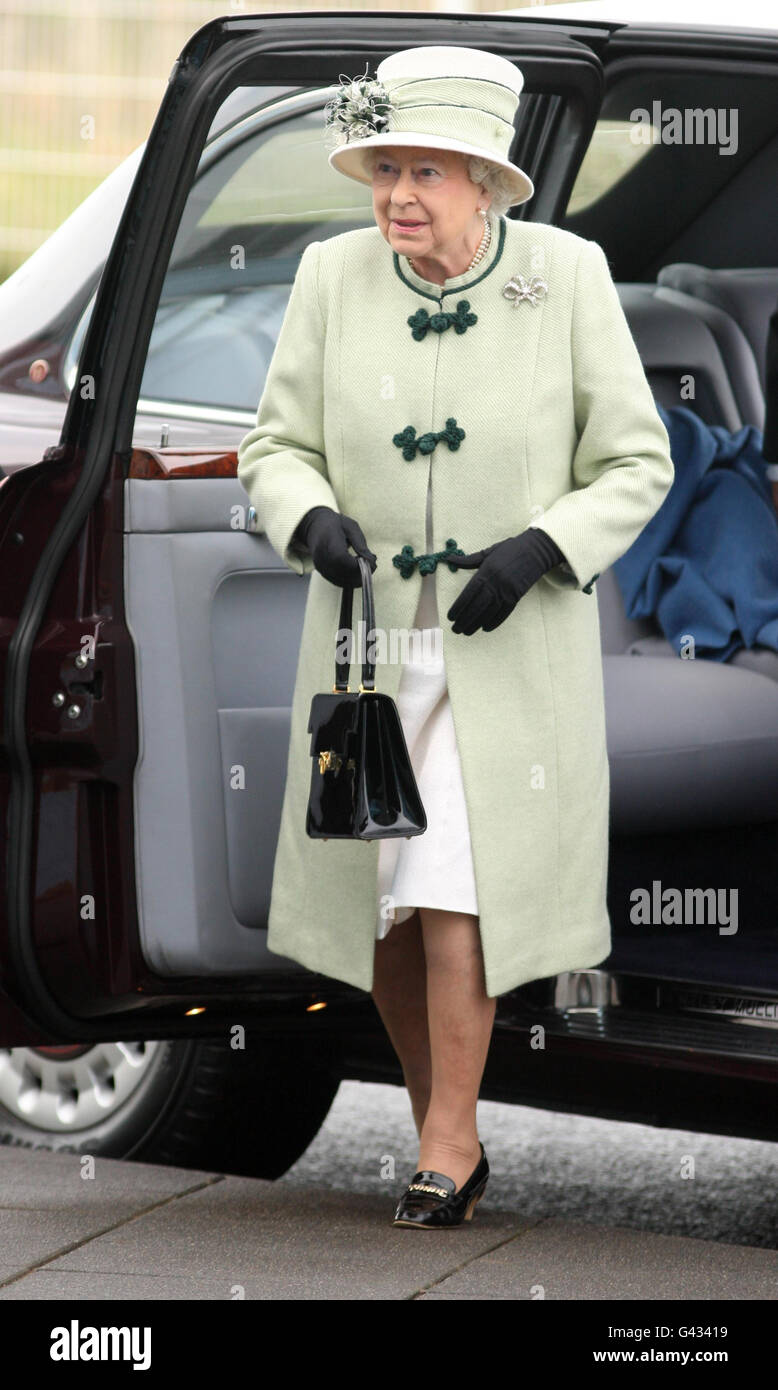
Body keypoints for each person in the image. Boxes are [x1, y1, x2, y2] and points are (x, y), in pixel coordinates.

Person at [237, 45, 674, 1229]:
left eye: (424, 170)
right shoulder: (333, 275)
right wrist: (307, 514)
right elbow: (272, 447)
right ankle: (453, 1124)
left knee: (454, 899)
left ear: (486, 181)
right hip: (370, 661)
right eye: (384, 168)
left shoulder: (567, 276)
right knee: (375, 906)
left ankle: (445, 1138)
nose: (396, 196)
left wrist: (540, 548)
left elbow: (638, 460)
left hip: (503, 659)